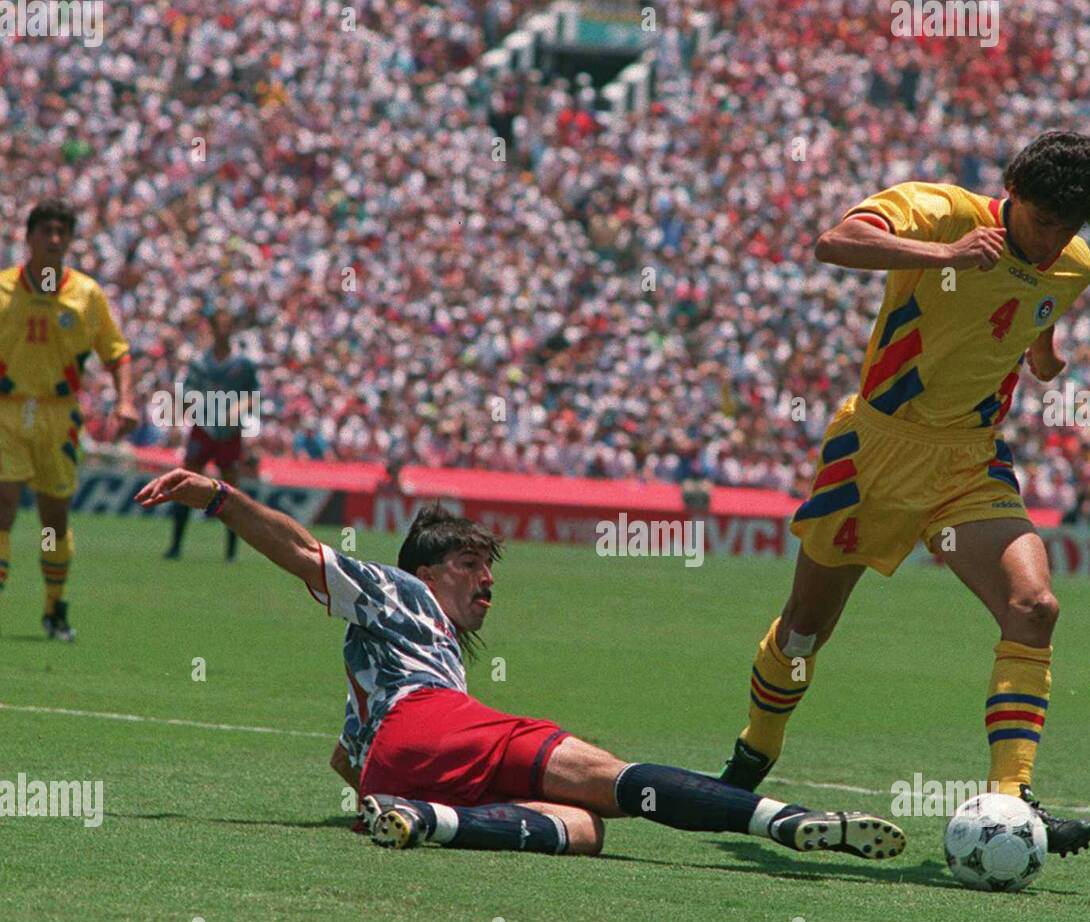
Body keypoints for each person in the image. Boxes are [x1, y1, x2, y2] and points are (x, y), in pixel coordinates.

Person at [133, 466, 908, 861]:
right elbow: (303, 551)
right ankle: (783, 822)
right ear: (431, 570)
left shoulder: (399, 651)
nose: (489, 582)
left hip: (396, 776)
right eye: (475, 566)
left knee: (585, 829)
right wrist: (218, 498)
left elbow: (348, 756)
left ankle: (435, 823)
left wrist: (392, 787)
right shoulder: (396, 589)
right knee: (607, 774)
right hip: (431, 725)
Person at [719, 131, 1090, 858]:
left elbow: (1033, 319)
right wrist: (946, 257)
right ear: (1013, 195)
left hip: (969, 463)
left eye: (1072, 228)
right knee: (806, 627)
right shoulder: (941, 211)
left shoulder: (1072, 265)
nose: (1057, 240)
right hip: (875, 451)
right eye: (1045, 222)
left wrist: (1046, 353)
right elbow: (834, 241)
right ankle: (753, 753)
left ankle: (1011, 797)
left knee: (1036, 607)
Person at [0, 200, 135, 639]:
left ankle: (53, 608)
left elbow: (116, 352)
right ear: (29, 237)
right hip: (6, 411)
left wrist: (125, 401)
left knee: (52, 517)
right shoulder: (3, 290)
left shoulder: (86, 295)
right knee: (2, 506)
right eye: (46, 231)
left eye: (62, 232)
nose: (55, 239)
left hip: (60, 417)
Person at [164, 308, 259, 562]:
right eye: (220, 326)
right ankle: (175, 546)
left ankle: (230, 552)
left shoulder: (243, 364)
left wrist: (239, 407)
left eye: (229, 326)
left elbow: (254, 395)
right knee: (187, 481)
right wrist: (177, 421)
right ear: (213, 329)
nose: (224, 331)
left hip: (229, 432)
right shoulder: (200, 362)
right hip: (203, 428)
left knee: (231, 489)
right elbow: (187, 394)